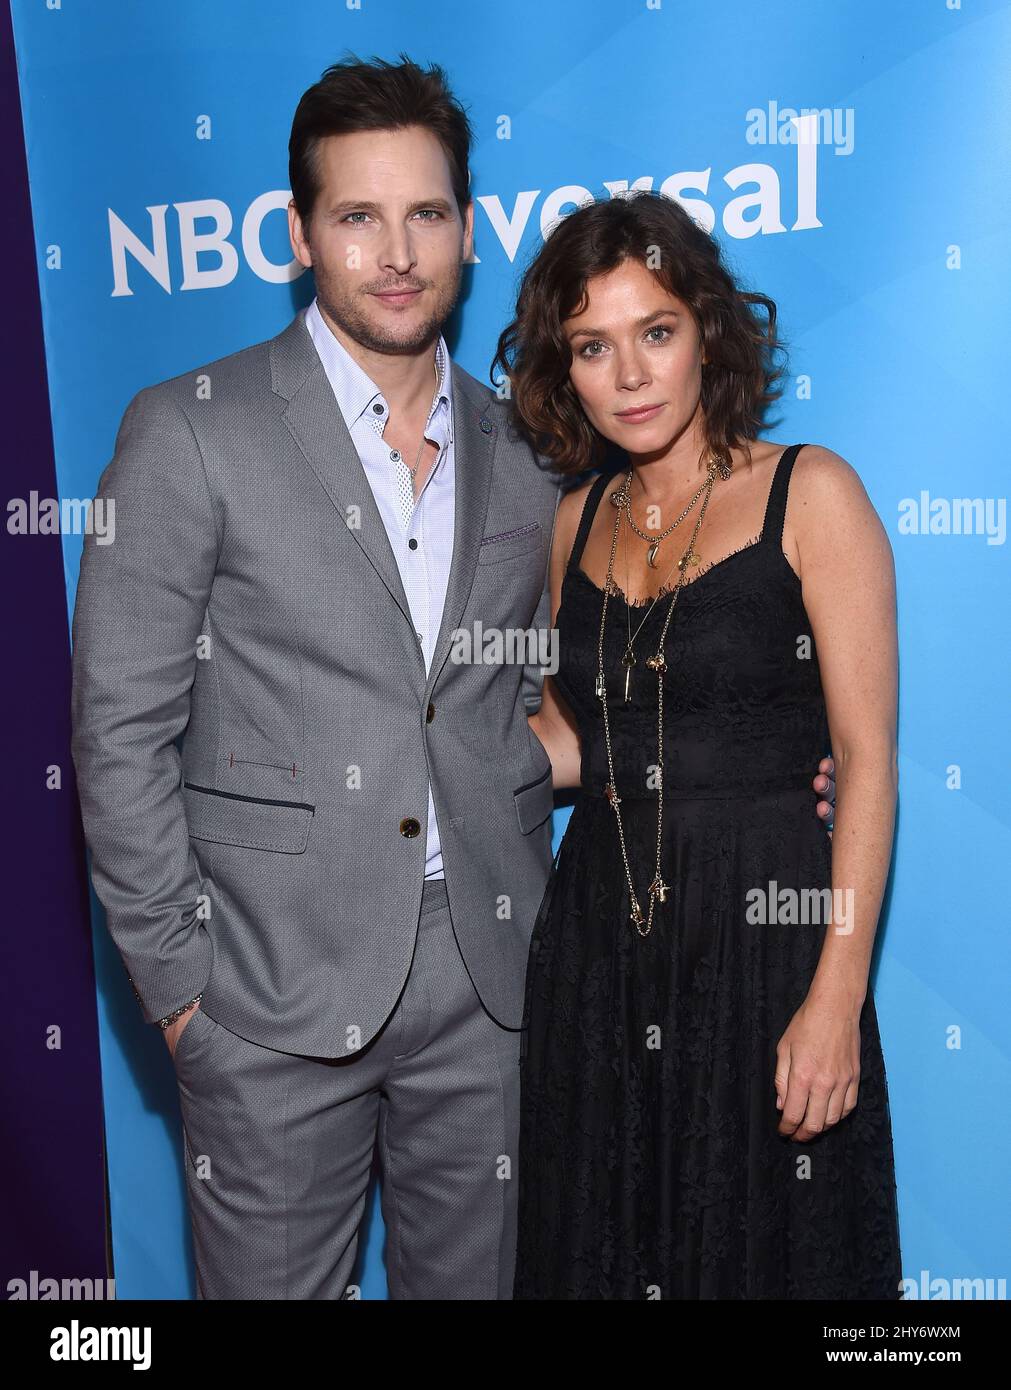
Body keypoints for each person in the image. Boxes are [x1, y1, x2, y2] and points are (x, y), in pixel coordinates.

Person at [70, 56, 836, 1301]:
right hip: (265, 990)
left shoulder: (533, 455)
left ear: (468, 231)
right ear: (300, 234)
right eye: (356, 215)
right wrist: (181, 995)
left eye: (425, 213)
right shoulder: (191, 429)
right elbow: (115, 733)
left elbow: (584, 691)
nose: (395, 252)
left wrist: (756, 754)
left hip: (496, 981)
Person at [496, 190, 902, 1299]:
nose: (628, 375)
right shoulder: (573, 520)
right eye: (592, 345)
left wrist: (836, 994)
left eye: (655, 332)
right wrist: (421, 747)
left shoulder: (810, 493)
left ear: (707, 333)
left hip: (766, 939)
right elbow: (588, 738)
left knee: (766, 1250)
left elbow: (866, 759)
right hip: (601, 941)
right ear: (561, 367)